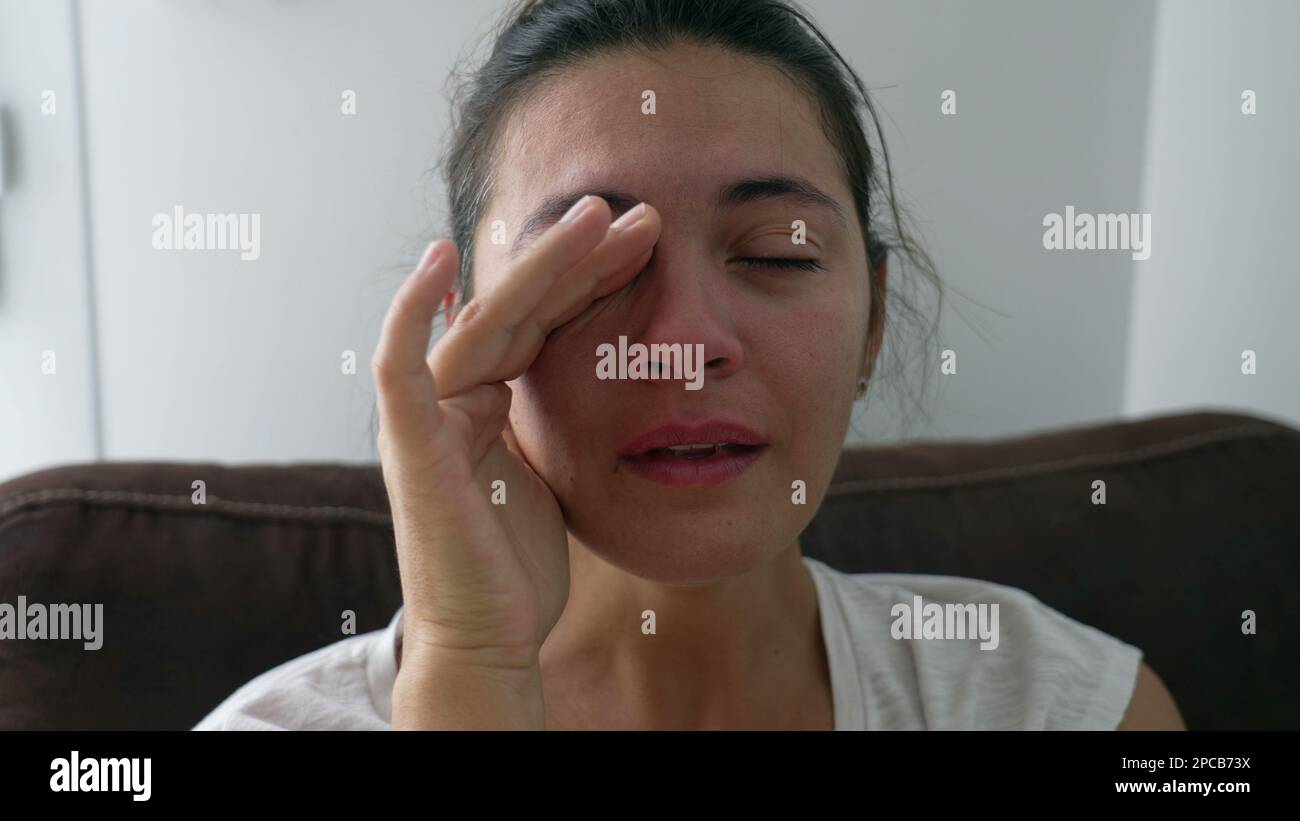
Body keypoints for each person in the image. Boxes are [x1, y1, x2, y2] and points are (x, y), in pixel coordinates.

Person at [195, 0, 1184, 731]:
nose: (682, 338)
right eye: (589, 273)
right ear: (468, 336)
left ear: (873, 319)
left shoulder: (1066, 706)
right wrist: (471, 672)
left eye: (776, 254)